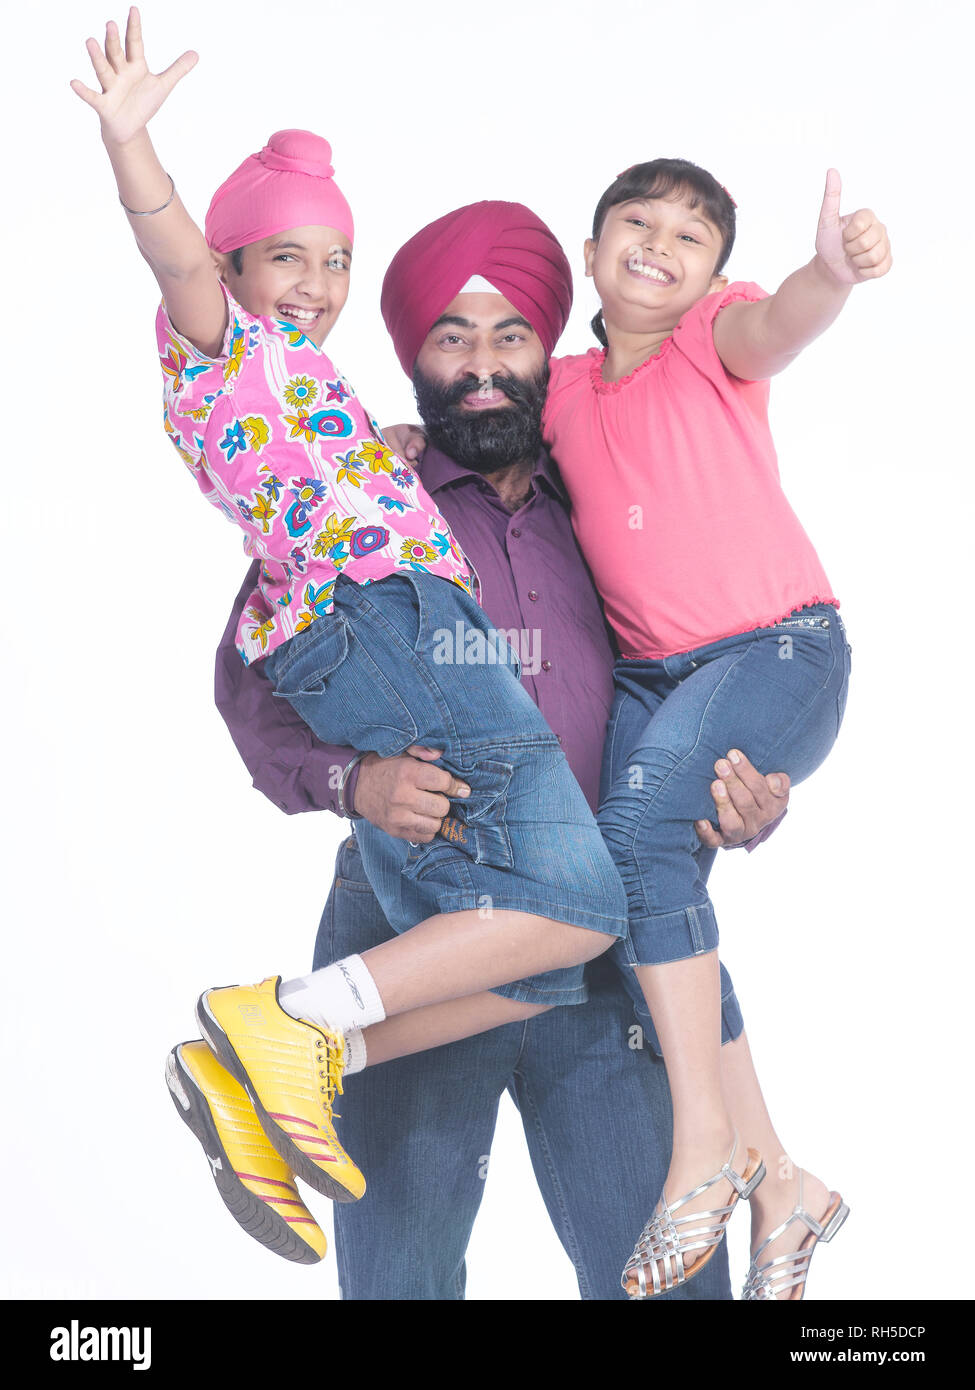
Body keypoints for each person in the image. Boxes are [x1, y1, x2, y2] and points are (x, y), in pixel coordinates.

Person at [71, 9, 635, 1210]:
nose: (318, 283)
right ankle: (278, 1017)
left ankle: (271, 1074)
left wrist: (388, 459)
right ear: (231, 267)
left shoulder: (322, 389)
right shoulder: (221, 342)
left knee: (566, 926)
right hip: (373, 609)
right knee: (568, 906)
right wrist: (133, 151)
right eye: (288, 256)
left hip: (394, 608)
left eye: (335, 260)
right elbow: (171, 251)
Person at [204, 201, 792, 1299]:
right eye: (451, 338)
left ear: (546, 353)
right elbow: (251, 675)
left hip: (610, 936)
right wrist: (355, 780)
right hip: (417, 928)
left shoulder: (613, 510)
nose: (481, 365)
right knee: (400, 1277)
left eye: (509, 335)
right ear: (412, 357)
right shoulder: (367, 495)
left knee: (670, 1275)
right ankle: (282, 1039)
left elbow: (697, 675)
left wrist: (742, 791)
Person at [540, 157, 891, 1298]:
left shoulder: (710, 342)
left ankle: (706, 1154)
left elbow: (779, 327)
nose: (659, 242)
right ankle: (780, 1176)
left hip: (776, 647)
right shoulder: (559, 389)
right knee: (632, 877)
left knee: (640, 840)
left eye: (691, 236)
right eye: (634, 222)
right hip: (653, 679)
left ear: (713, 278)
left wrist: (827, 277)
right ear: (589, 254)